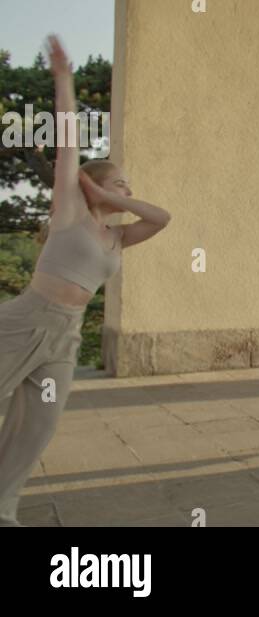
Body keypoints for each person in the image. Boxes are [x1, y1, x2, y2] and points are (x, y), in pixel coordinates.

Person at [0, 36, 171, 526]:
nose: (130, 192)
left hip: (64, 339)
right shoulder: (70, 211)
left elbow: (162, 218)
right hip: (24, 322)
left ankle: (3, 508)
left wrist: (121, 197)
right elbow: (69, 139)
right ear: (92, 184)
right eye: (122, 183)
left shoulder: (117, 237)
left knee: (37, 426)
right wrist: (63, 79)